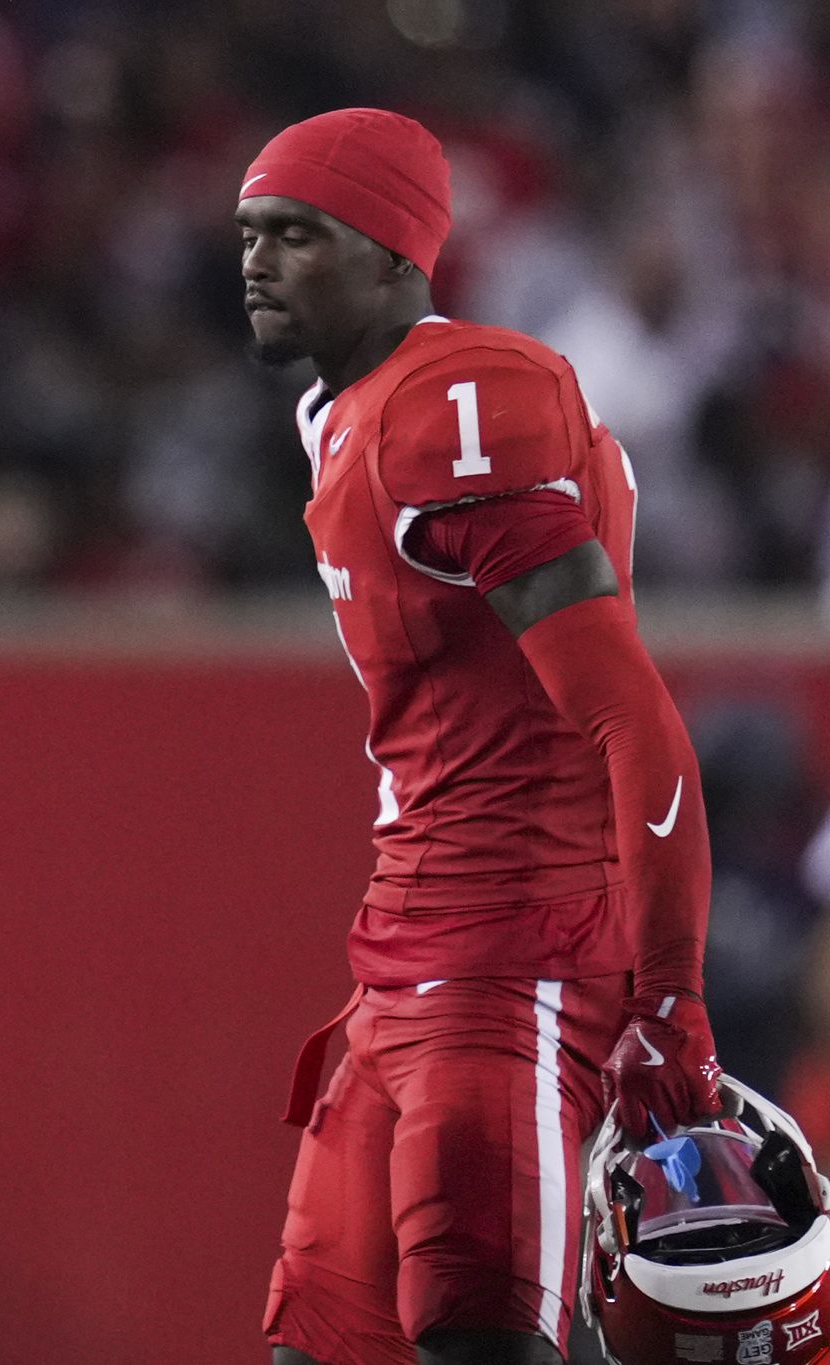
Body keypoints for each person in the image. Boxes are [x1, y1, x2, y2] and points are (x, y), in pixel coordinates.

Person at [235, 109, 724, 1365]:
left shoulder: (461, 403)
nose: (257, 260)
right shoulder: (342, 412)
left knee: (481, 1338)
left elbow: (628, 713)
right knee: (315, 1348)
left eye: (297, 235)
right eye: (251, 234)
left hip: (511, 967)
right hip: (396, 962)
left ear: (399, 254)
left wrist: (667, 991)